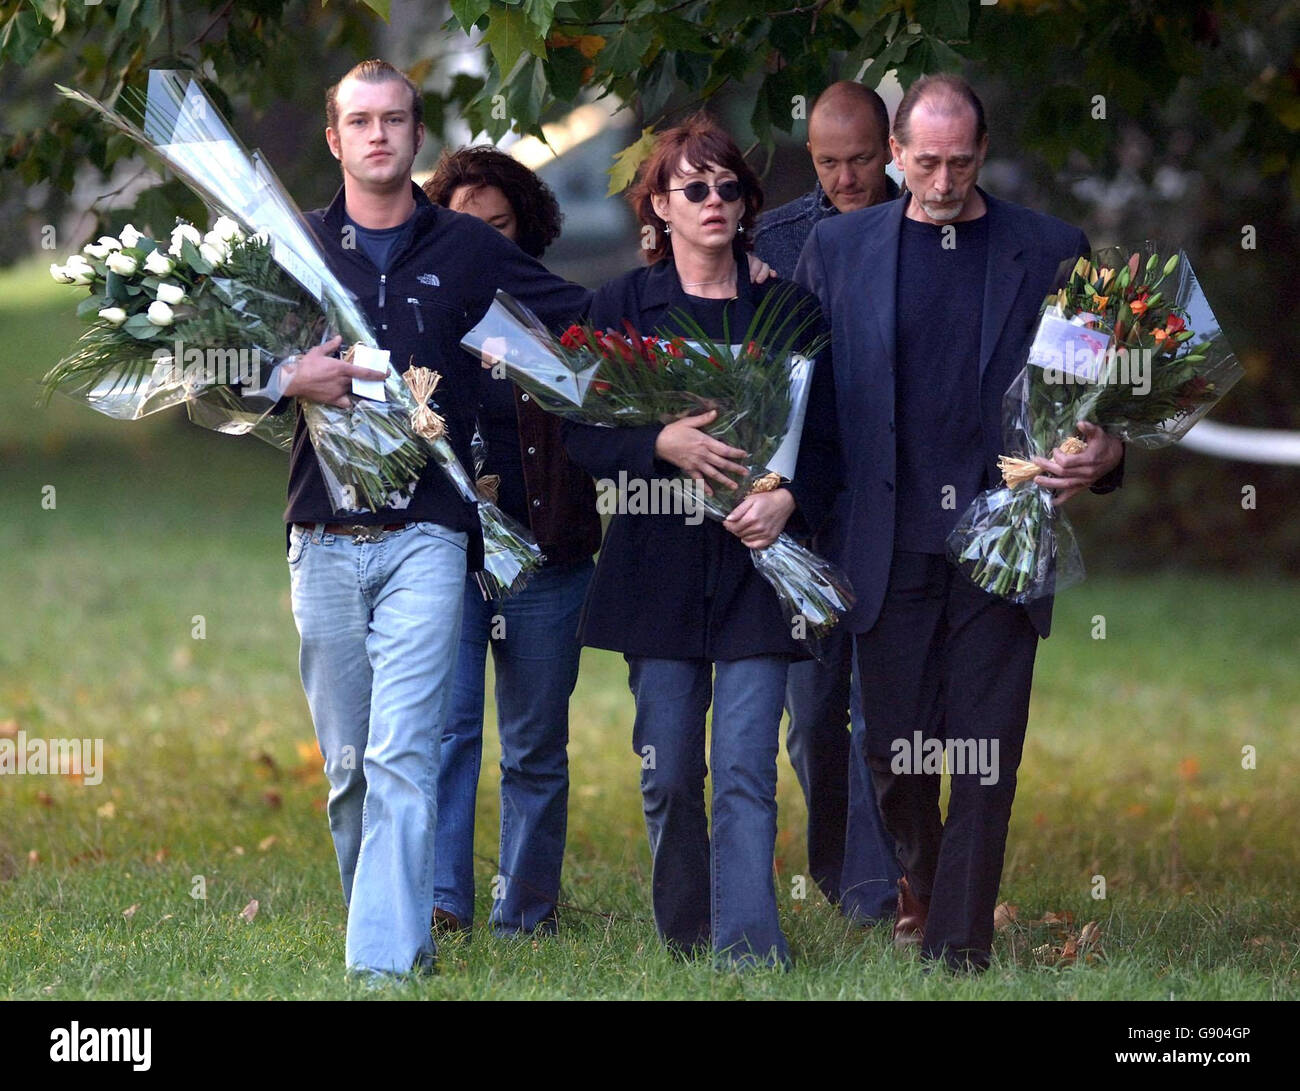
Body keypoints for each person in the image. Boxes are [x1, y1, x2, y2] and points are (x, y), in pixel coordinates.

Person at [794, 74, 1125, 971]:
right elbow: (808, 401)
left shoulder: (1051, 249)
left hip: (1004, 537)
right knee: (894, 753)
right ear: (895, 154)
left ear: (984, 154)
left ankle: (959, 943)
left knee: (987, 750)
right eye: (926, 161)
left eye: (961, 161)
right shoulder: (839, 246)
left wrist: (1107, 456)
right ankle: (926, 884)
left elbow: (1089, 400)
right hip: (885, 539)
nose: (942, 181)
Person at [280, 60, 589, 977]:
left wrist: (700, 275)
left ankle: (385, 961)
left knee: (404, 751)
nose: (379, 136)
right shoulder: (292, 245)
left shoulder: (468, 247)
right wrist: (287, 378)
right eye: (360, 121)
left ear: (418, 137)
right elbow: (213, 363)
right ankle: (381, 909)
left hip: (430, 532)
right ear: (335, 138)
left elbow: (576, 323)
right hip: (322, 533)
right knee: (347, 771)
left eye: (396, 121)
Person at [563, 115, 840, 969]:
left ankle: (749, 947)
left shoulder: (789, 309)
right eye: (695, 188)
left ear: (749, 206)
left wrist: (788, 498)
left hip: (762, 570)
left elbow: (832, 442)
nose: (714, 201)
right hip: (657, 567)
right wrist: (658, 442)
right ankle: (688, 934)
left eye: (729, 188)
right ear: (659, 205)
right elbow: (578, 430)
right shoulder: (617, 307)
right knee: (672, 770)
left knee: (749, 768)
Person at [418, 147, 600, 935]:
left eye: (499, 227)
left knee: (533, 745)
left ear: (524, 229)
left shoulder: (558, 313)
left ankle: (525, 912)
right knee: (448, 730)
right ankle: (441, 903)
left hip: (548, 552)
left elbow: (607, 394)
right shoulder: (418, 310)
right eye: (467, 229)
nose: (485, 245)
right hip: (443, 555)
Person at [752, 80, 900, 920]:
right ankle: (840, 866)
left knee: (881, 707)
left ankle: (874, 890)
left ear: (889, 148)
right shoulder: (774, 237)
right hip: (800, 509)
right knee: (811, 714)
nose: (847, 177)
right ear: (810, 156)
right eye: (829, 162)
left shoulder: (926, 231)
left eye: (862, 159)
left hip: (891, 501)